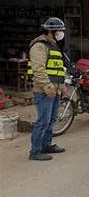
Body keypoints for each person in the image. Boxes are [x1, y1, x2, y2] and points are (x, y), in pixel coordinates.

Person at [27, 17, 67, 161]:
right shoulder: (39, 46)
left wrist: (62, 85)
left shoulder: (54, 45)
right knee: (43, 121)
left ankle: (46, 144)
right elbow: (38, 69)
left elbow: (58, 68)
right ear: (51, 30)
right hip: (44, 91)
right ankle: (35, 151)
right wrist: (47, 86)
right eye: (60, 30)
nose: (61, 33)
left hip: (55, 90)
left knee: (51, 120)